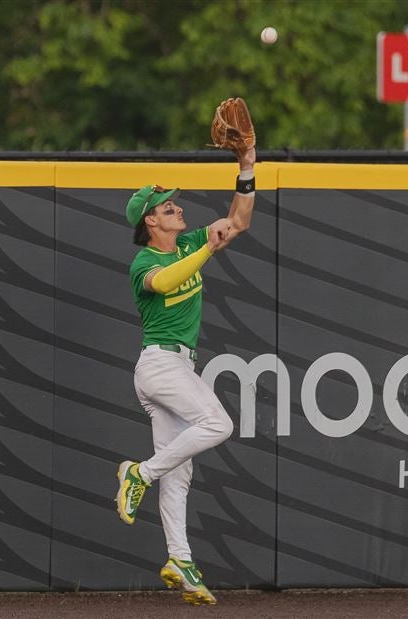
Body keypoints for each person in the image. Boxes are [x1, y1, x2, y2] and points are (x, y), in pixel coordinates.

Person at [115, 146, 257, 606]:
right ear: (151, 222)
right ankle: (139, 473)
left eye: (175, 204)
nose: (177, 208)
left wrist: (247, 166)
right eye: (167, 207)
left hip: (178, 366)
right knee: (219, 424)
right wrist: (209, 249)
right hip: (159, 365)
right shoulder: (144, 263)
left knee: (181, 473)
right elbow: (166, 281)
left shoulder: (193, 241)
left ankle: (180, 560)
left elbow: (239, 221)